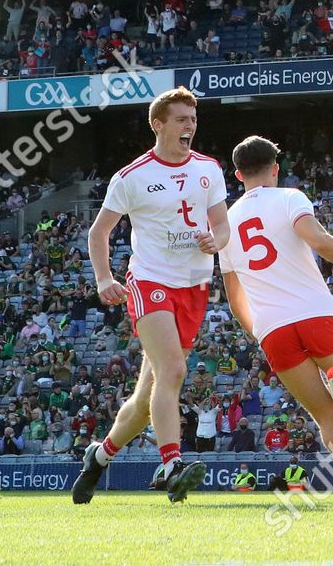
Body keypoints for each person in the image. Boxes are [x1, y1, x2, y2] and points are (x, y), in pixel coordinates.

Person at [73, 87, 230, 505]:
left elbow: (222, 225)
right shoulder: (131, 176)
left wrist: (215, 240)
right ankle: (171, 464)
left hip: (194, 287)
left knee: (147, 399)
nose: (190, 127)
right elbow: (99, 232)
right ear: (158, 124)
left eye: (193, 120)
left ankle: (98, 458)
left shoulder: (209, 169)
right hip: (150, 282)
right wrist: (104, 277)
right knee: (175, 371)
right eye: (181, 119)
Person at [217, 135, 333, 503]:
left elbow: (235, 300)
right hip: (313, 313)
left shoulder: (226, 225)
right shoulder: (290, 197)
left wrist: (260, 333)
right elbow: (319, 240)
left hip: (273, 330)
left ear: (238, 173)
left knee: (326, 418)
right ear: (275, 169)